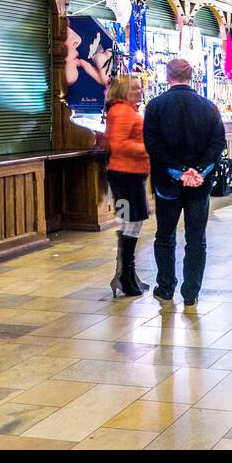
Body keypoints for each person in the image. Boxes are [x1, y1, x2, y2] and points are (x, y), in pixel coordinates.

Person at [142, 57, 227, 306]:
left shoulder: (156, 106)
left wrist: (178, 171)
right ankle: (191, 292)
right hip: (199, 185)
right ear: (192, 77)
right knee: (196, 238)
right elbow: (218, 143)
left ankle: (166, 286)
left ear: (167, 76)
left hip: (166, 184)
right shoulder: (208, 107)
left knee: (165, 235)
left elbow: (153, 146)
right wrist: (198, 170)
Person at [103, 75, 150, 298]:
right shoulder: (121, 111)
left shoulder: (126, 110)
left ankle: (127, 274)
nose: (140, 91)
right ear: (123, 90)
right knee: (130, 223)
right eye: (135, 88)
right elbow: (118, 144)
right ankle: (124, 276)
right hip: (125, 175)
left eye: (140, 88)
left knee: (131, 223)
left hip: (130, 174)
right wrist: (147, 147)